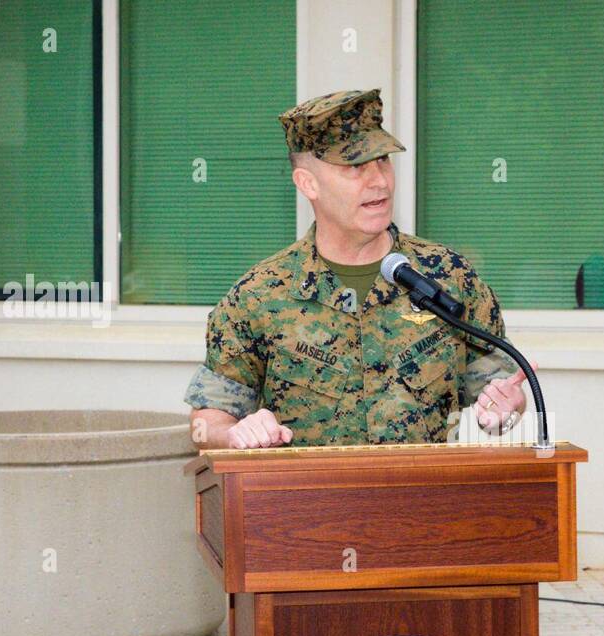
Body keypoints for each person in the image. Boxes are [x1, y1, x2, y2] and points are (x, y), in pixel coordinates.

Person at [185, 89, 527, 449]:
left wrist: (507, 410)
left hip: (427, 500)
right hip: (309, 503)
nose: (379, 180)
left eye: (383, 161)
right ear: (307, 183)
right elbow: (204, 427)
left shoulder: (449, 277)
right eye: (355, 166)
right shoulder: (259, 296)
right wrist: (237, 432)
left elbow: (500, 396)